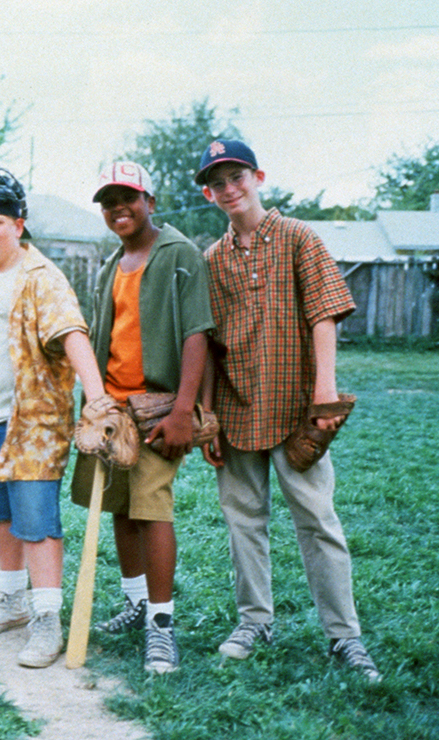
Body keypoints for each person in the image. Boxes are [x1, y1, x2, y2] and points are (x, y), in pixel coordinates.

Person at [196, 139, 381, 682]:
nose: (230, 189)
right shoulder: (213, 258)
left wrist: (325, 393)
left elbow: (325, 314)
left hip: (297, 404)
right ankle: (254, 621)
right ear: (209, 193)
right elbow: (208, 344)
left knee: (317, 520)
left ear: (258, 176)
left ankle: (344, 636)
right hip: (235, 409)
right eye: (218, 182)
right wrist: (207, 414)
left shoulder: (300, 236)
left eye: (238, 177)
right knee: (243, 521)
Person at [0, 168, 106, 668]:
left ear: (19, 224)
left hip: (32, 421)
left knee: (37, 523)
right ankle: (11, 600)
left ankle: (46, 618)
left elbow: (72, 334)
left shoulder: (41, 278)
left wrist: (96, 402)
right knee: (0, 515)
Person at [68, 161, 212, 674]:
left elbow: (198, 333)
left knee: (153, 509)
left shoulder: (179, 254)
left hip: (157, 408)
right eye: (108, 202)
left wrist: (182, 411)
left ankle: (161, 624)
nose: (118, 209)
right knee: (121, 508)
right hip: (117, 410)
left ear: (149, 199)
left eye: (127, 198)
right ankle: (135, 604)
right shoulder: (112, 264)